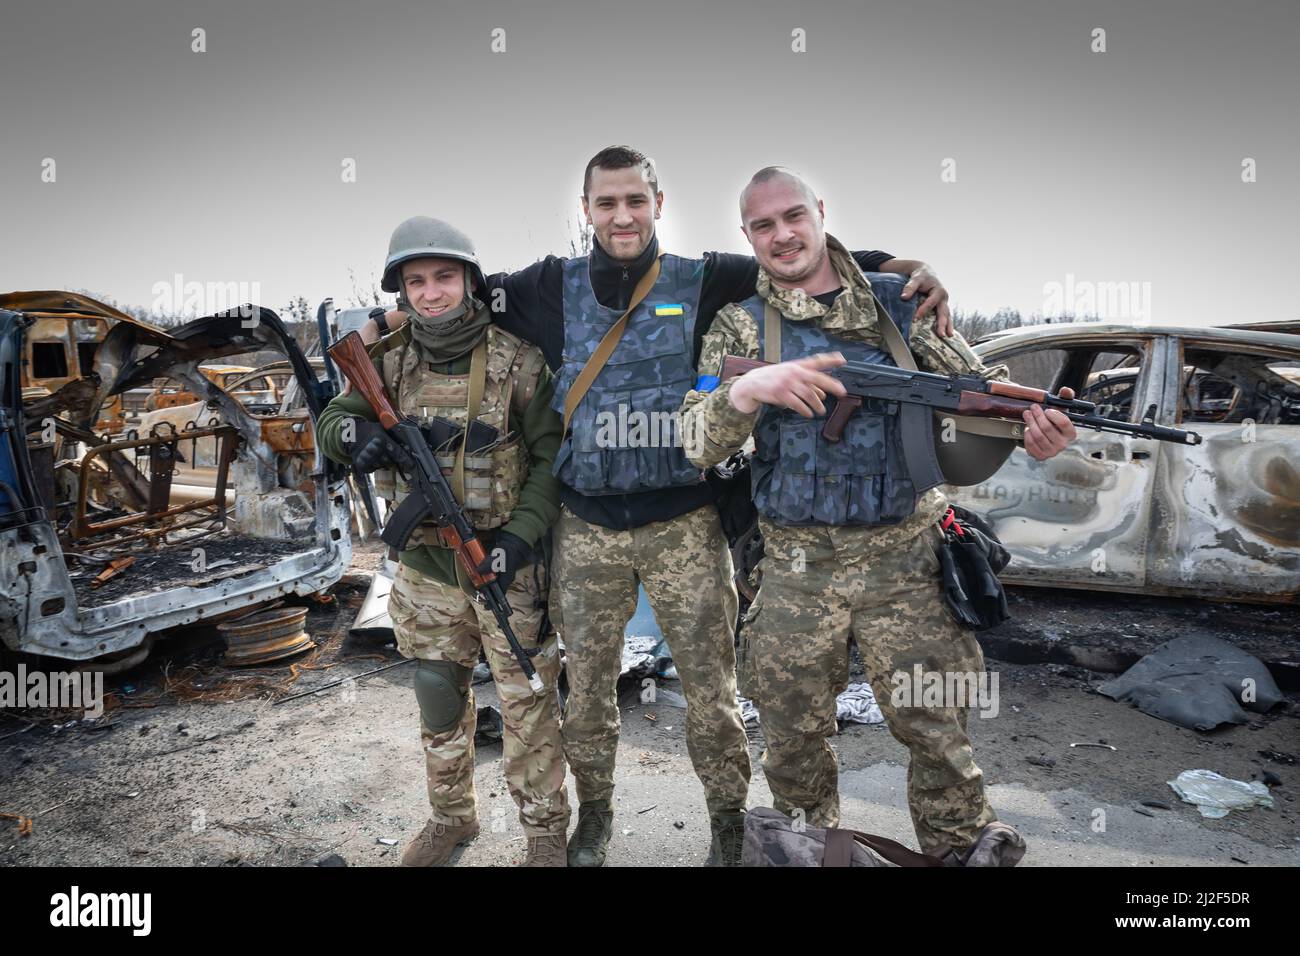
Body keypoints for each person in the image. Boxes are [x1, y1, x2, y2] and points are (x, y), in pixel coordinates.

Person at [361, 147, 954, 867]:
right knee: (587, 699)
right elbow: (452, 300)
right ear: (586, 210)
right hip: (586, 526)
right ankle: (597, 819)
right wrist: (380, 324)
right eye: (606, 203)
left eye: (634, 201)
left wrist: (905, 266)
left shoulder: (706, 280)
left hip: (685, 525)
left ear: (658, 203)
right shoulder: (547, 285)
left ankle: (728, 825)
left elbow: (812, 262)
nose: (621, 216)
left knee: (714, 696)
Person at [679, 167, 1078, 864]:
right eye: (763, 226)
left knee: (938, 731)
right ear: (747, 236)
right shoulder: (740, 324)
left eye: (793, 216)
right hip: (797, 568)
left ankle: (959, 852)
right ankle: (811, 854)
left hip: (908, 559)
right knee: (794, 737)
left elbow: (973, 401)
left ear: (821, 214)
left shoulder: (904, 303)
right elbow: (695, 444)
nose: (782, 235)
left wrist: (1032, 433)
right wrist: (748, 393)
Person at [317, 217, 569, 866]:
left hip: (505, 567)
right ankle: (452, 818)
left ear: (470, 281)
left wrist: (521, 535)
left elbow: (549, 460)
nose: (432, 293)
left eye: (445, 278)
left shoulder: (518, 360)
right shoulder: (387, 363)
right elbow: (335, 420)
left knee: (527, 704)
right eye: (417, 281)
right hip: (427, 568)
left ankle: (544, 834)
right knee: (435, 686)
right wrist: (353, 439)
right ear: (401, 289)